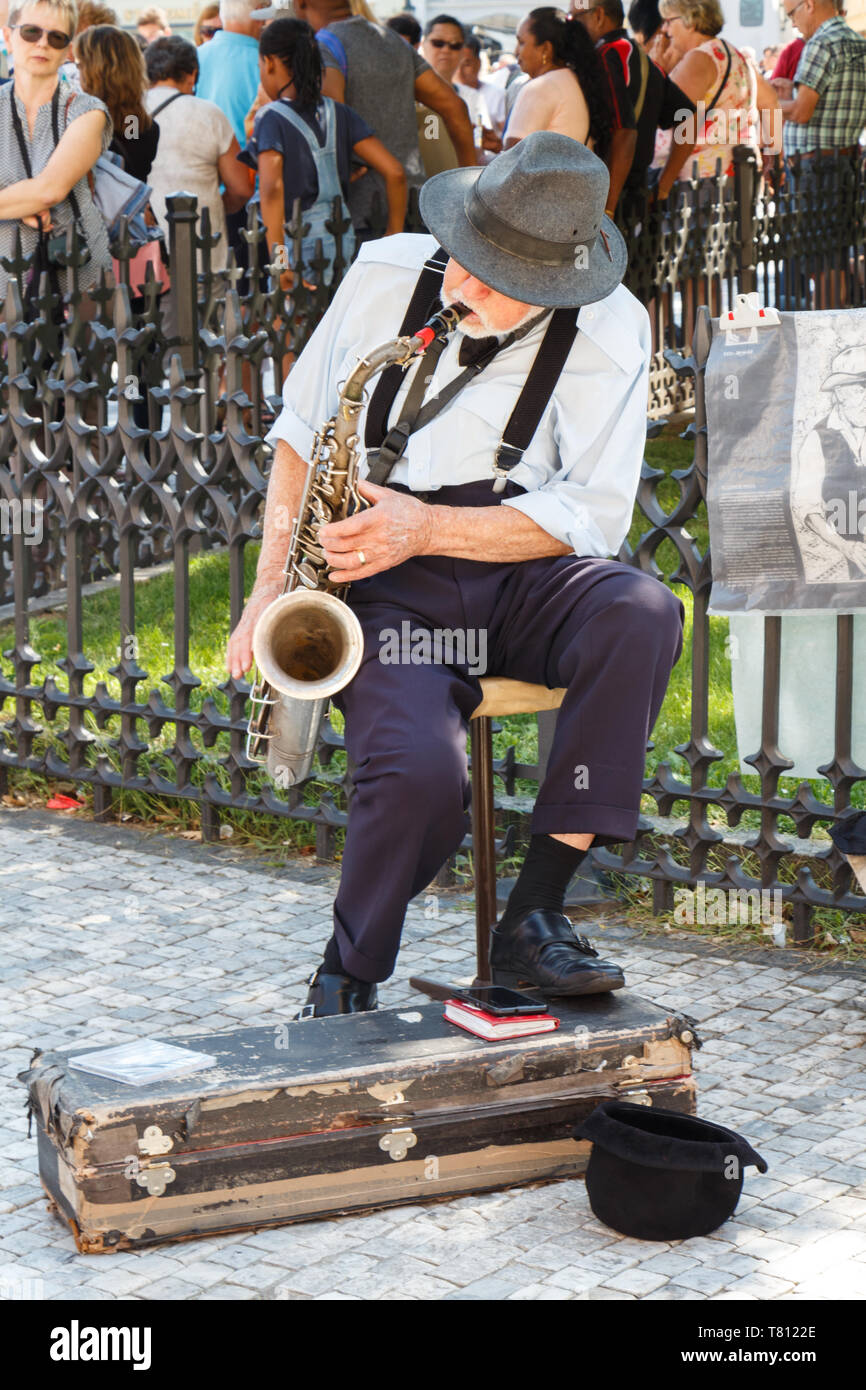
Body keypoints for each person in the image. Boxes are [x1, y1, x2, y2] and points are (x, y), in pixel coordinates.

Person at [226, 131, 684, 1016]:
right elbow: (298, 430)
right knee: (422, 778)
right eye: (465, 258)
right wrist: (267, 588)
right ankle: (348, 971)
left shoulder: (614, 326)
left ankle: (537, 912)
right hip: (385, 585)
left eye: (495, 278)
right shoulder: (388, 271)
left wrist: (430, 525)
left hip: (517, 561)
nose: (461, 287)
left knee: (642, 610)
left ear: (558, 283)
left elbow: (591, 515)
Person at [282, 0, 476, 241]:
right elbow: (455, 107)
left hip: (355, 213)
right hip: (411, 206)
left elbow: (331, 122)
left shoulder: (323, 46)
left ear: (300, 3)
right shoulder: (392, 41)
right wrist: (471, 186)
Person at [240, 17, 406, 284]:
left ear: (269, 62)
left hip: (296, 242)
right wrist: (393, 234)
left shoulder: (270, 117)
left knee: (296, 323)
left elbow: (272, 191)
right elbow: (395, 172)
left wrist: (280, 262)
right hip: (341, 240)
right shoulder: (339, 113)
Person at [0, 0, 112, 307]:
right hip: (3, 277)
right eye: (31, 32)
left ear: (68, 50)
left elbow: (50, 191)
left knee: (86, 354)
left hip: (80, 275)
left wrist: (30, 199)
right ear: (9, 36)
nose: (42, 44)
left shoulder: (88, 111)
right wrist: (21, 202)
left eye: (56, 37)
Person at [574, 0, 696, 206]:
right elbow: (687, 116)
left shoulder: (607, 55)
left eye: (575, 18)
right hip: (637, 193)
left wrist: (608, 209)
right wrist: (663, 186)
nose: (572, 27)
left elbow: (625, 132)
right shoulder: (640, 56)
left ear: (598, 16)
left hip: (609, 195)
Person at [144, 35, 249, 272]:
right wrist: (218, 209)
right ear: (192, 74)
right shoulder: (210, 114)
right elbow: (241, 188)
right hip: (204, 252)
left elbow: (126, 159)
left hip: (147, 253)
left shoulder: (131, 115)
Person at [653, 0, 781, 191]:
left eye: (669, 21)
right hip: (735, 177)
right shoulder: (732, 54)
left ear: (691, 20)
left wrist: (663, 185)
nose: (665, 30)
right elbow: (771, 102)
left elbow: (684, 124)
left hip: (701, 183)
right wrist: (774, 156)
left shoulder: (697, 59)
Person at [506, 7, 614, 168]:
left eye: (521, 42)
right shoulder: (573, 81)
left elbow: (509, 168)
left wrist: (477, 155)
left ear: (546, 49)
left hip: (540, 192)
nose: (516, 52)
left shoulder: (540, 88)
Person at [777, 0, 866, 159]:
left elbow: (800, 113)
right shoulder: (860, 43)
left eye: (791, 14)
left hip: (815, 167)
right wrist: (793, 91)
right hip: (846, 160)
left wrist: (765, 103)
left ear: (809, 5)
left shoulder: (820, 43)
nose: (793, 24)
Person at [75, 23, 158, 182]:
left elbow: (131, 152)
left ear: (92, 71)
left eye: (80, 64)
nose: (77, 72)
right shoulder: (133, 121)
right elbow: (133, 149)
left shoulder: (78, 121)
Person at [196, 0, 263, 146]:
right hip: (248, 162)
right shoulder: (267, 62)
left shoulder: (195, 56)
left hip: (201, 158)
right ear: (259, 12)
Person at [417, 13, 470, 176]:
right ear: (423, 45)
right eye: (438, 43)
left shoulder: (473, 97)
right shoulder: (407, 97)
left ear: (463, 52)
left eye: (455, 45)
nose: (446, 50)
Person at [456, 34, 507, 141]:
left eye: (466, 64)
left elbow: (506, 139)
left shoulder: (497, 94)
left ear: (478, 63)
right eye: (455, 64)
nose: (459, 72)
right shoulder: (442, 94)